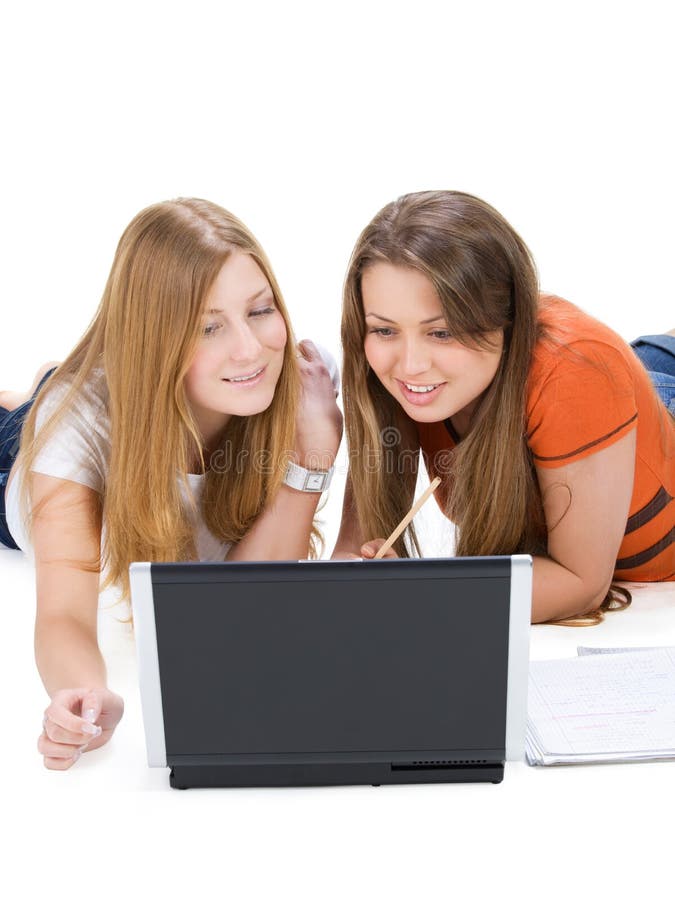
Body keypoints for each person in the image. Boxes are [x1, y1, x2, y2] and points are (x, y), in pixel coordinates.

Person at [0, 198, 342, 770]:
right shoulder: (81, 424)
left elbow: (238, 603)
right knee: (42, 412)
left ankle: (41, 384)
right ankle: (34, 395)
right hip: (20, 463)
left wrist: (312, 456)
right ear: (154, 340)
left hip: (115, 399)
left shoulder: (294, 388)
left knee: (54, 394)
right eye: (209, 326)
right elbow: (64, 611)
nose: (250, 348)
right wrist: (81, 692)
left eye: (260, 311)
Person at [333, 190, 674, 624]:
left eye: (441, 332)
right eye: (384, 330)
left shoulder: (575, 373)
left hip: (619, 394)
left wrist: (422, 598)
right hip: (611, 391)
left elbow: (581, 584)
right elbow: (349, 563)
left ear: (509, 322)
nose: (411, 365)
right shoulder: (392, 374)